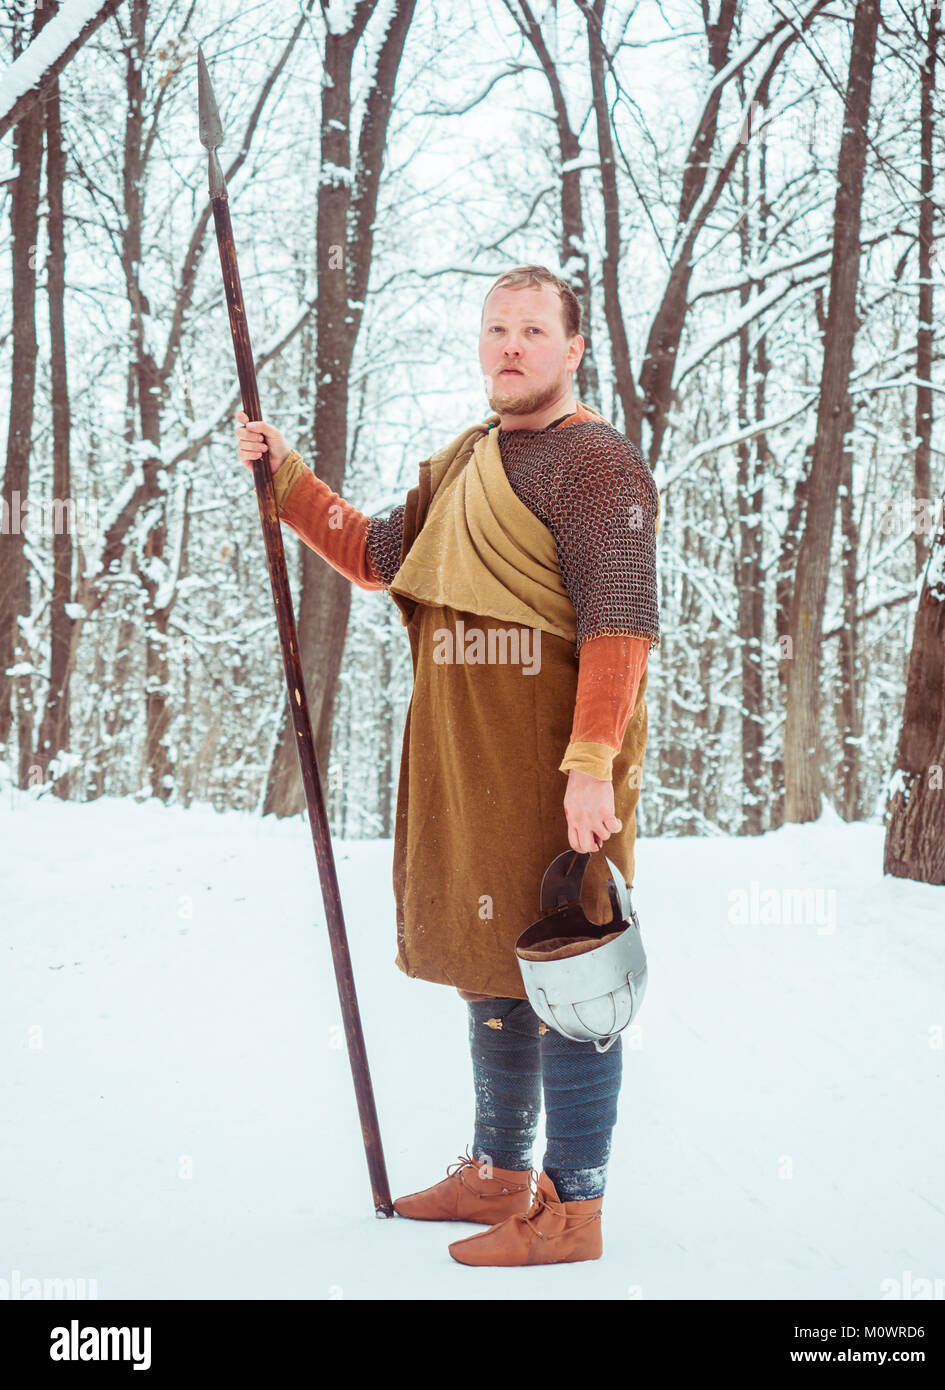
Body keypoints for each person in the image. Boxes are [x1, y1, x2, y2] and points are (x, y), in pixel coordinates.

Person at [235, 264, 659, 1267]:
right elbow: (376, 552)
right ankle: (498, 1172)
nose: (510, 346)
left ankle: (573, 1206)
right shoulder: (463, 460)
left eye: (532, 330)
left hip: (557, 761)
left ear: (571, 349)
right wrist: (289, 480)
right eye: (495, 329)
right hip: (467, 756)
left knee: (573, 965)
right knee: (489, 962)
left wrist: (592, 760)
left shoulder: (597, 463)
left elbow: (621, 626)